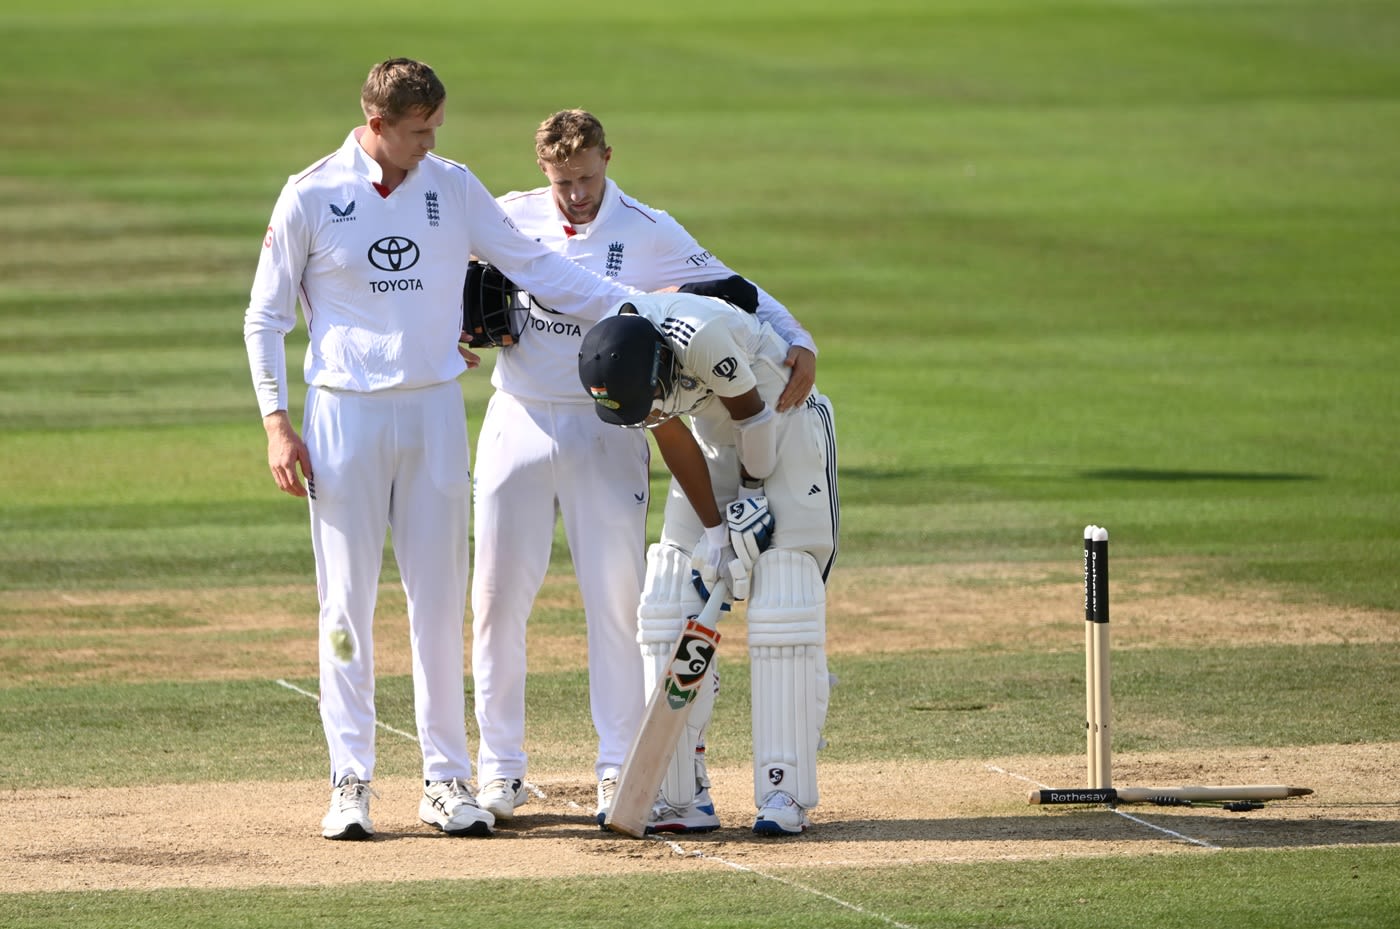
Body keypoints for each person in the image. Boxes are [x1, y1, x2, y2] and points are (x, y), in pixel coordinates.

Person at [242, 60, 642, 841]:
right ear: (378, 122)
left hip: (432, 414)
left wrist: (635, 307)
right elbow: (264, 318)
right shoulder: (312, 193)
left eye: (435, 128)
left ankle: (445, 779)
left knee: (438, 606)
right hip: (343, 418)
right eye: (419, 131)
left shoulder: (451, 186)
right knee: (345, 606)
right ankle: (351, 781)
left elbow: (535, 267)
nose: (432, 142)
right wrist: (275, 422)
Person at [469, 109, 818, 833]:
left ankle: (617, 767)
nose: (576, 194)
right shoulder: (509, 215)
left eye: (588, 178)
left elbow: (733, 286)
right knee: (498, 597)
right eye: (563, 181)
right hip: (518, 416)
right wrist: (458, 327)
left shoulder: (647, 227)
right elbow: (453, 279)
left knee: (618, 602)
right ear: (544, 170)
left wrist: (797, 337)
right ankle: (499, 767)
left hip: (612, 426)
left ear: (608, 159)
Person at [577, 293, 838, 835]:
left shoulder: (699, 335)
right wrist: (718, 532)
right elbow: (673, 437)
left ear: (658, 364)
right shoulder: (621, 361)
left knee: (782, 594)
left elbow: (755, 417)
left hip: (784, 432)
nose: (647, 407)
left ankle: (783, 790)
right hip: (718, 443)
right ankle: (679, 796)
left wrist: (750, 500)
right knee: (670, 594)